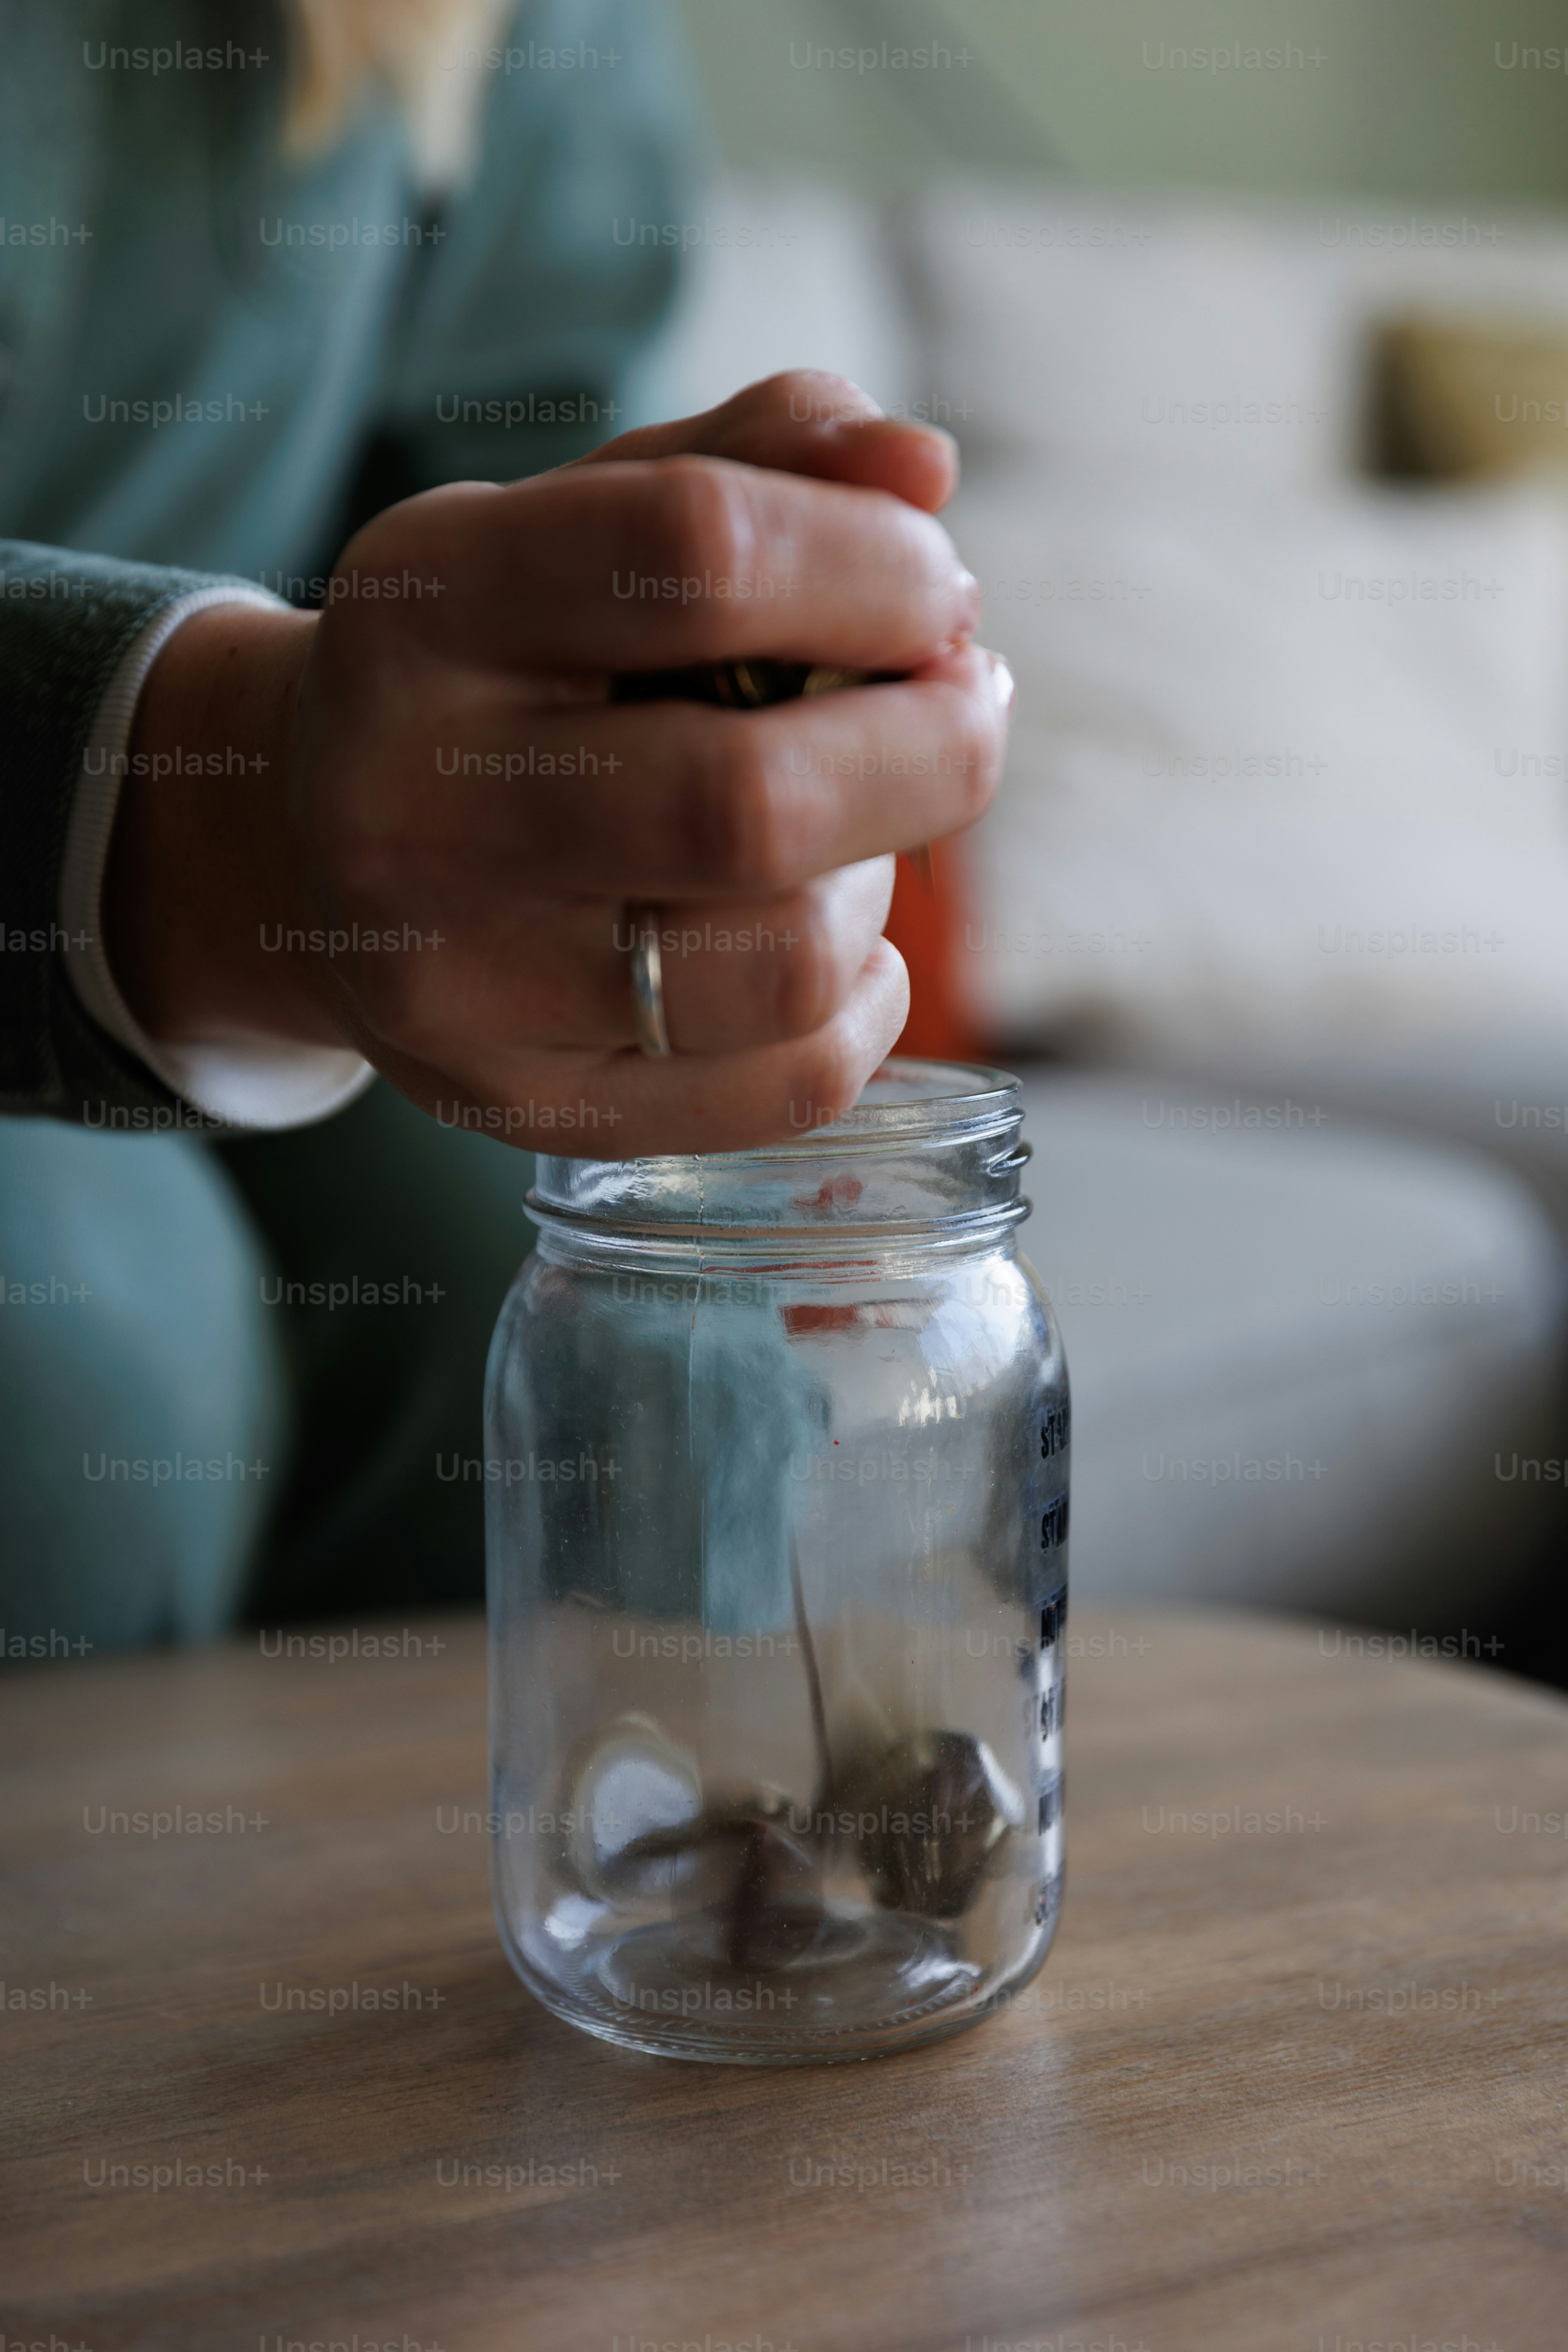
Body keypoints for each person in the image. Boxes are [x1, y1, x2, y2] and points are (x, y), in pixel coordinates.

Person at [0, 0, 1010, 1654]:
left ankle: (562, 1884)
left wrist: (634, 738)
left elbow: (536, 473)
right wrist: (197, 792)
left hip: (295, 960)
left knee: (676, 1373)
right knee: (74, 1404)